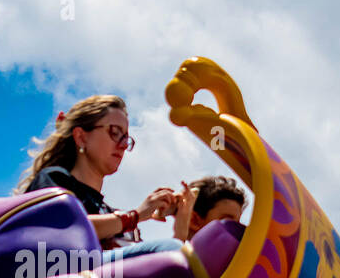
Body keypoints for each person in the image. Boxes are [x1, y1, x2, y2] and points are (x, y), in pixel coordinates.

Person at [16, 95, 183, 262]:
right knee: (167, 252)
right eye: (115, 133)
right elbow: (64, 229)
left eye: (126, 138)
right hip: (62, 276)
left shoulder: (108, 212)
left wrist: (184, 214)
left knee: (180, 258)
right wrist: (135, 217)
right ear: (81, 137)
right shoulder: (53, 180)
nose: (124, 145)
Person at [170, 175, 247, 241]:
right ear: (194, 221)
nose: (239, 230)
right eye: (229, 222)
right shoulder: (171, 255)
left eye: (238, 223)